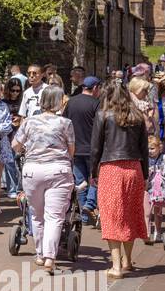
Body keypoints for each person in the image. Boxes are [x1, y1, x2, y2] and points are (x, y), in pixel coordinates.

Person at [13, 84, 74, 273]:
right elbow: (72, 150)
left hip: (32, 170)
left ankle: (40, 254)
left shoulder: (29, 122)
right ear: (58, 102)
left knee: (36, 215)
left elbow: (15, 145)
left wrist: (29, 150)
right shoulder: (65, 123)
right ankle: (49, 257)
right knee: (54, 217)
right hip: (58, 170)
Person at [91, 82, 150, 276]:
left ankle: (116, 266)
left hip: (111, 168)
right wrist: (146, 174)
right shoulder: (138, 117)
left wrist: (93, 172)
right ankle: (127, 261)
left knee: (112, 216)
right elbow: (144, 149)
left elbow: (96, 148)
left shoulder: (103, 116)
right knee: (131, 214)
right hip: (134, 168)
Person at [64, 76, 101, 225]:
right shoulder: (97, 104)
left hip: (74, 148)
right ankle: (89, 205)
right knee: (95, 179)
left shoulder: (71, 102)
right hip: (93, 148)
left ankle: (84, 217)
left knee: (80, 182)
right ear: (96, 88)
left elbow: (64, 122)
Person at [0, 80, 22, 200]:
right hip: (5, 135)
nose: (15, 93)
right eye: (13, 90)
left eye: (18, 90)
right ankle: (11, 188)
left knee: (17, 162)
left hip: (18, 133)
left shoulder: (21, 101)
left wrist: (19, 120)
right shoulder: (3, 103)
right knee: (8, 163)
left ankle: (18, 188)